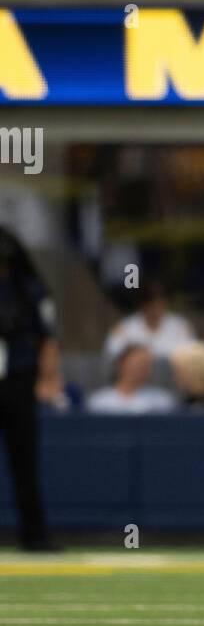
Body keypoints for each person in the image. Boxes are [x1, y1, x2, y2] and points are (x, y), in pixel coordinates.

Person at [0, 225, 62, 550]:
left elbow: (47, 338)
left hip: (18, 380)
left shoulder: (28, 289)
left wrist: (48, 379)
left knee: (25, 461)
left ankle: (34, 534)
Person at [105, 282, 195, 360]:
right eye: (151, 304)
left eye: (160, 302)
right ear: (142, 304)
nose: (156, 308)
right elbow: (111, 357)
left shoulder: (181, 327)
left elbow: (192, 359)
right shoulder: (124, 329)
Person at [87, 345, 176, 414]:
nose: (141, 369)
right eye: (137, 364)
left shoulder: (163, 401)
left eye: (146, 365)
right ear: (121, 364)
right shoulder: (99, 401)